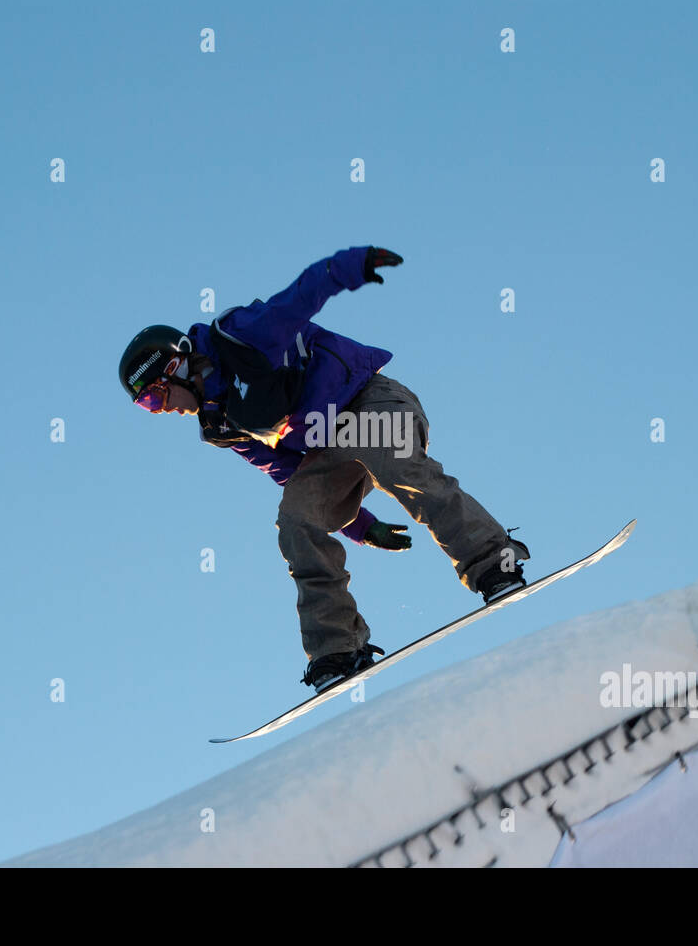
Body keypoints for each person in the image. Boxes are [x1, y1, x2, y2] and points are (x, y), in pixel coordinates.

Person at [118, 245, 530, 693]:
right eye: (146, 406)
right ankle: (337, 648)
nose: (160, 411)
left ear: (175, 367)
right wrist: (362, 526)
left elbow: (297, 299)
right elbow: (286, 472)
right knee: (296, 522)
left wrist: (350, 266)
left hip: (369, 400)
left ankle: (494, 561)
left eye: (155, 398)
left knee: (392, 462)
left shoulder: (237, 339)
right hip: (327, 449)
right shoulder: (220, 425)